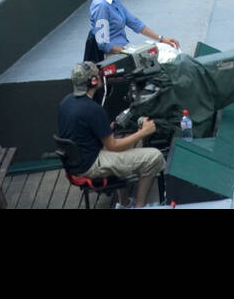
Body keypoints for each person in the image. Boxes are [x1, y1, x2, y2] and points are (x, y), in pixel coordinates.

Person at [58, 61, 166, 207]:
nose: (101, 76)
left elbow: (82, 131)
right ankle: (140, 206)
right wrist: (143, 132)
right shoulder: (93, 109)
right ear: (94, 81)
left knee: (123, 143)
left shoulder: (66, 102)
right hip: (91, 166)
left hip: (76, 164)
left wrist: (106, 129)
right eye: (98, 74)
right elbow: (113, 147)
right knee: (154, 157)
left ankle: (124, 203)